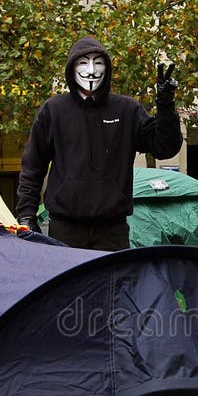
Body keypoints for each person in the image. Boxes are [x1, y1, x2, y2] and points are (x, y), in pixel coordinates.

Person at [16, 36, 182, 250]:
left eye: (99, 62)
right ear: (72, 68)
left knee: (113, 284)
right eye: (83, 62)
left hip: (112, 231)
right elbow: (32, 166)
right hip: (65, 229)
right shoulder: (54, 111)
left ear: (108, 68)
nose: (91, 70)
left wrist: (166, 105)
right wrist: (26, 215)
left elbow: (165, 147)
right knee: (70, 284)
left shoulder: (127, 110)